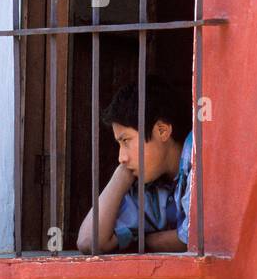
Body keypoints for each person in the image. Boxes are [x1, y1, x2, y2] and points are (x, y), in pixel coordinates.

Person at [76, 75, 194, 254]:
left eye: (126, 141)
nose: (121, 157)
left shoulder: (198, 156)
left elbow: (194, 238)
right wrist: (121, 176)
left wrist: (144, 241)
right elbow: (89, 241)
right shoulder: (152, 186)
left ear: (162, 131)